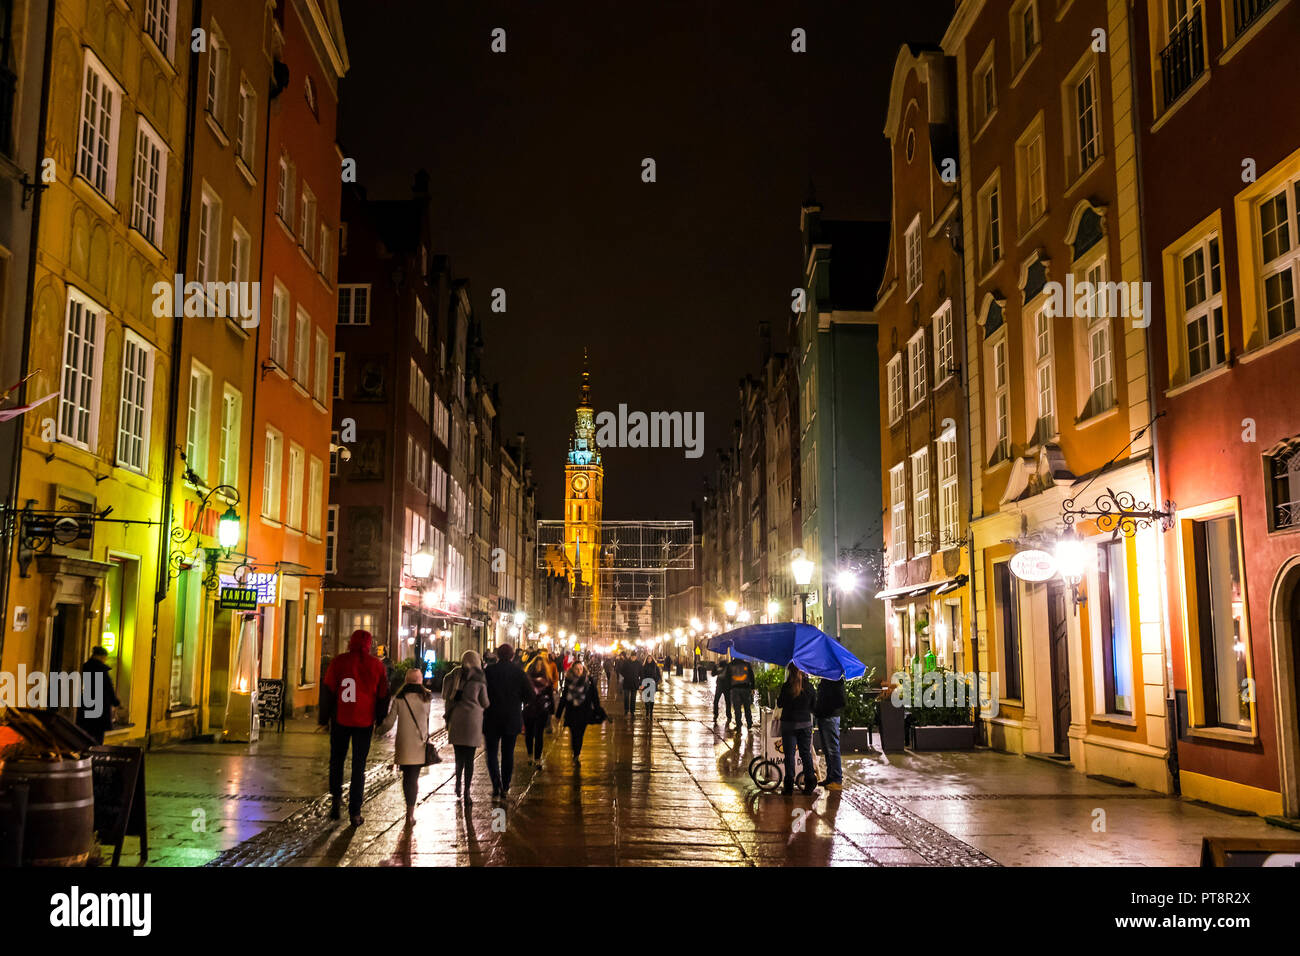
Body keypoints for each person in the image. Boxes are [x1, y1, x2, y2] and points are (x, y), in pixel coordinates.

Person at [319, 630, 390, 825]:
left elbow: (328, 690)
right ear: (369, 644)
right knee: (359, 766)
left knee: (337, 760)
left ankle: (335, 800)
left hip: (341, 718)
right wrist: (380, 718)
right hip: (364, 720)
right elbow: (384, 693)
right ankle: (355, 811)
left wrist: (324, 719)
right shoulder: (377, 665)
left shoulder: (339, 662)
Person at [376, 668, 433, 826]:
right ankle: (410, 813)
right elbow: (426, 721)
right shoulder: (426, 698)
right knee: (413, 779)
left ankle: (408, 811)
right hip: (419, 744)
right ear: (420, 680)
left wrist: (377, 730)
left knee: (407, 778)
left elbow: (389, 722)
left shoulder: (399, 699)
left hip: (403, 745)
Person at [482, 643, 537, 799]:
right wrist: (520, 703)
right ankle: (505, 786)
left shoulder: (489, 672)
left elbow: (482, 693)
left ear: (498, 655)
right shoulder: (519, 672)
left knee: (491, 754)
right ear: (512, 655)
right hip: (511, 718)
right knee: (508, 754)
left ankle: (496, 784)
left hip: (491, 717)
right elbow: (530, 695)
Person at [442, 650, 490, 802]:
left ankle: (457, 783)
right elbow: (485, 702)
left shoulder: (454, 676)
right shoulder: (479, 679)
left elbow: (446, 697)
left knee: (459, 758)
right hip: (472, 722)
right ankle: (467, 791)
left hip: (456, 720)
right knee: (469, 759)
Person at [777, 664, 818, 796]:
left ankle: (789, 785)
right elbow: (814, 707)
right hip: (805, 725)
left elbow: (780, 704)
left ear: (790, 672)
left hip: (789, 725)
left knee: (789, 755)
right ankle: (810, 782)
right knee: (805, 754)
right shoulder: (809, 687)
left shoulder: (786, 687)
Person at [555, 661, 598, 761]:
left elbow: (594, 697)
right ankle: (575, 752)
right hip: (572, 713)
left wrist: (597, 710)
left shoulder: (589, 681)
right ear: (573, 670)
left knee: (580, 733)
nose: (579, 671)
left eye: (581, 669)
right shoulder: (569, 681)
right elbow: (564, 699)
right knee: (574, 734)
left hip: (584, 713)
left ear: (583, 670)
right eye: (577, 669)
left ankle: (577, 752)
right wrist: (558, 715)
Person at [76, 646, 119, 744]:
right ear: (101, 656)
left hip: (86, 704)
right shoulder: (102, 670)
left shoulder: (84, 667)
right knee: (98, 734)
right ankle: (96, 752)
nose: (105, 660)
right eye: (105, 657)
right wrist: (115, 702)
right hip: (100, 706)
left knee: (87, 732)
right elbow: (108, 688)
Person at [814, 673, 847, 791]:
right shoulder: (826, 679)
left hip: (830, 717)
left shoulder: (836, 680)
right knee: (827, 750)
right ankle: (830, 777)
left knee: (832, 749)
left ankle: (837, 780)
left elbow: (841, 701)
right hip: (823, 716)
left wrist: (825, 706)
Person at [522, 655, 555, 766]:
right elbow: (522, 693)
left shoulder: (547, 679)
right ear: (533, 666)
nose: (539, 667)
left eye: (541, 665)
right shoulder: (527, 678)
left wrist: (552, 711)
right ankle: (530, 754)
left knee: (539, 735)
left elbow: (550, 695)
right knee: (529, 734)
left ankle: (537, 758)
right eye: (537, 665)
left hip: (542, 709)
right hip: (529, 709)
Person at [727, 656, 755, 729]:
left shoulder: (730, 665)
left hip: (735, 688)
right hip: (745, 688)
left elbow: (727, 678)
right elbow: (751, 676)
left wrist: (728, 688)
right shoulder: (747, 664)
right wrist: (752, 687)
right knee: (747, 707)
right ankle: (749, 723)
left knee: (737, 708)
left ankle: (738, 723)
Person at [639, 654, 662, 722]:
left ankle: (651, 711)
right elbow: (642, 676)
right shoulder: (644, 666)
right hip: (646, 684)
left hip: (652, 684)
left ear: (652, 659)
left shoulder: (655, 666)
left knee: (651, 698)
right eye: (648, 658)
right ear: (646, 659)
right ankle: (647, 711)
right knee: (646, 699)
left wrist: (656, 681)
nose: (649, 660)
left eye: (650, 658)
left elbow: (658, 675)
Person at [618, 653, 640, 718]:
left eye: (634, 657)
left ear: (636, 657)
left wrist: (639, 681)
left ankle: (632, 711)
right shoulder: (626, 663)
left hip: (634, 683)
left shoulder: (638, 664)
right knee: (626, 697)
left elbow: (641, 672)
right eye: (632, 656)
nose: (633, 658)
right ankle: (626, 710)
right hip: (627, 683)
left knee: (633, 698)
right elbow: (621, 671)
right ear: (630, 657)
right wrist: (626, 676)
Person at [713, 657, 732, 723]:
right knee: (725, 701)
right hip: (722, 686)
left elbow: (730, 675)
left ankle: (727, 715)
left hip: (724, 686)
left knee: (726, 701)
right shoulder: (719, 666)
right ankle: (718, 714)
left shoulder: (727, 667)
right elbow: (713, 673)